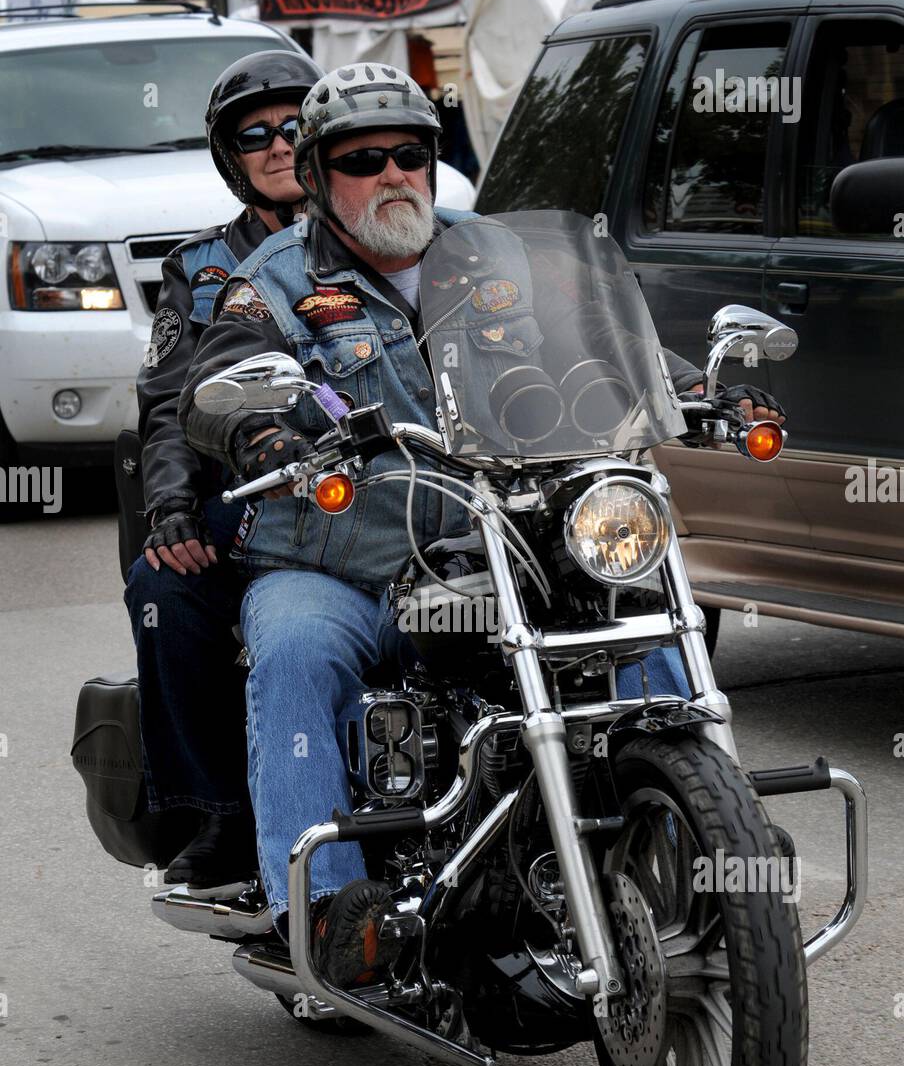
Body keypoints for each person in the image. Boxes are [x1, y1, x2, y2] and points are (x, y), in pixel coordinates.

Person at [178, 63, 786, 984]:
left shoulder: (498, 252)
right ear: (314, 176)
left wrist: (697, 389)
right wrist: (257, 427)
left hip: (502, 540)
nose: (392, 174)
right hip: (339, 561)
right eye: (362, 158)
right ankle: (334, 913)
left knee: (634, 613)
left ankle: (709, 827)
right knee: (296, 653)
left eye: (411, 154)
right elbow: (216, 383)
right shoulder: (269, 284)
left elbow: (609, 338)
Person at [125, 49, 319, 888]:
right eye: (255, 136)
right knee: (162, 587)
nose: (278, 146)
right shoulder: (202, 269)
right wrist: (170, 507)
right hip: (247, 495)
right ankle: (220, 812)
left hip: (381, 485)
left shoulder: (382, 236)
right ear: (230, 158)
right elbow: (169, 404)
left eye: (295, 127)